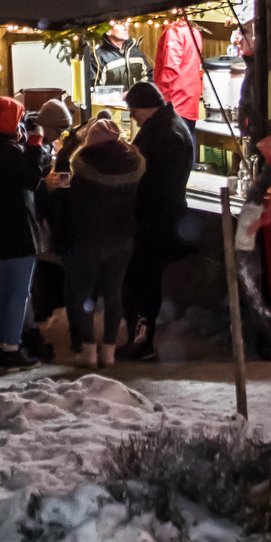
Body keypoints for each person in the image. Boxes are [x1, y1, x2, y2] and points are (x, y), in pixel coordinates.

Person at [55, 116, 143, 367]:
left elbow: (72, 204)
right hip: (121, 240)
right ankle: (109, 352)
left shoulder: (82, 166)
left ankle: (89, 351)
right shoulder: (133, 164)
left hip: (89, 239)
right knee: (114, 294)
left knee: (85, 296)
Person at [0, 97, 53, 369]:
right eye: (17, 117)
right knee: (17, 292)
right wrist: (34, 144)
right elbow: (31, 178)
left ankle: (2, 345)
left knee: (4, 291)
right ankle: (10, 348)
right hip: (17, 230)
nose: (21, 122)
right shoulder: (6, 150)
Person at [121, 79, 195, 361]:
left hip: (153, 222)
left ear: (144, 107)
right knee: (144, 282)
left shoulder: (162, 134)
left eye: (133, 110)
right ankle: (139, 340)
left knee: (142, 283)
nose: (131, 117)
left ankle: (141, 342)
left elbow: (153, 183)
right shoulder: (172, 125)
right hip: (162, 218)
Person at [153, 17, 206, 132]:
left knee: (172, 147)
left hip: (174, 102)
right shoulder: (195, 31)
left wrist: (157, 96)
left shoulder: (173, 32)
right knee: (187, 144)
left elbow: (171, 68)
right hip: (191, 101)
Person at [90, 21, 150, 90]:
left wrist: (138, 93)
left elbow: (149, 77)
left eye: (126, 22)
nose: (126, 27)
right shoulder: (98, 58)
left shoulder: (135, 52)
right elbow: (94, 90)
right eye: (119, 23)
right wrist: (120, 96)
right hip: (114, 101)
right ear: (108, 31)